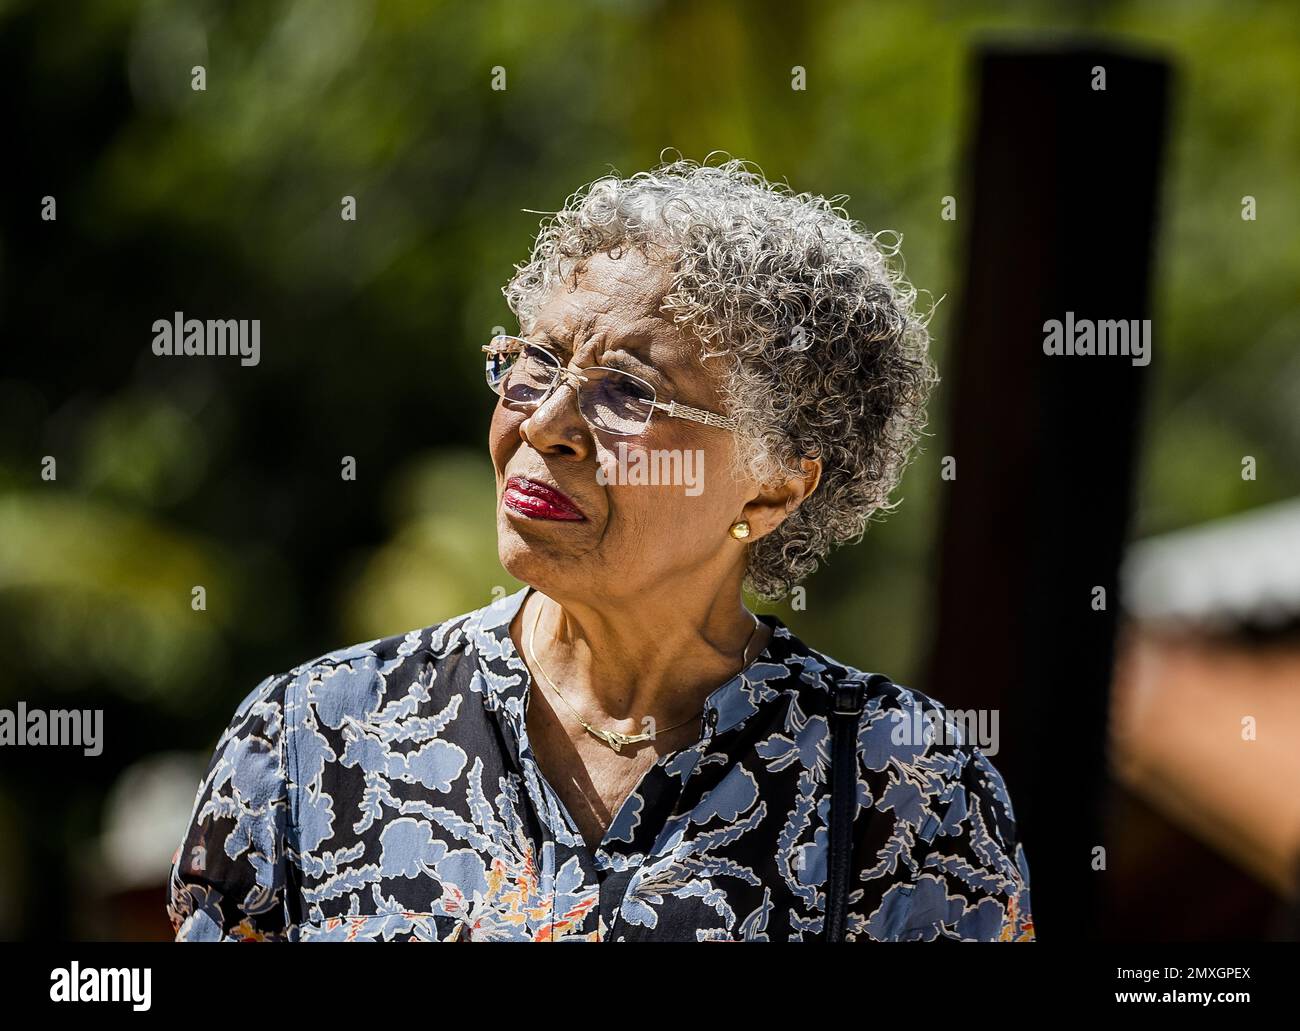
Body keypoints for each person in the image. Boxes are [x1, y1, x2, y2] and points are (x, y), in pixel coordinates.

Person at [166, 153, 1034, 941]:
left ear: (772, 488)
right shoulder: (315, 737)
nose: (545, 423)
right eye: (536, 362)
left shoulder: (896, 781)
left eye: (627, 392)